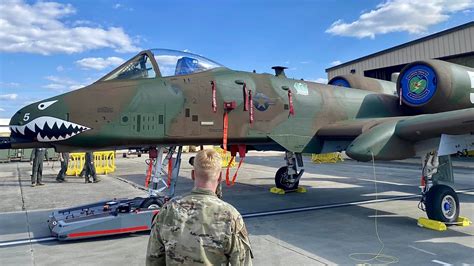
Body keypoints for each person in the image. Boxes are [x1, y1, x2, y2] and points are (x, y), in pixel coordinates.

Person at [146, 149, 253, 265]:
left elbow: (153, 259)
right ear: (220, 176)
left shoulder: (167, 211)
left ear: (192, 174)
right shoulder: (230, 216)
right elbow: (242, 262)